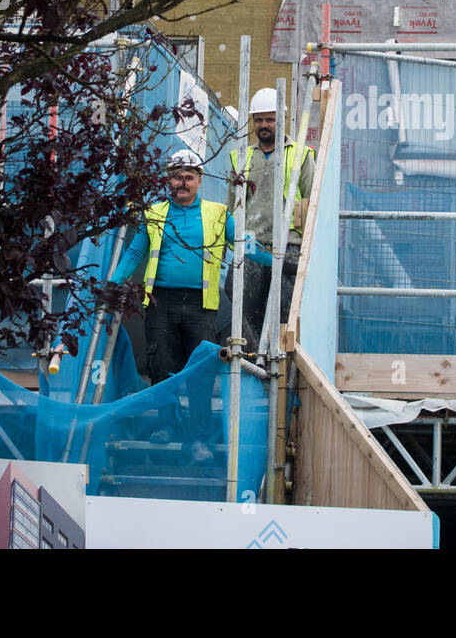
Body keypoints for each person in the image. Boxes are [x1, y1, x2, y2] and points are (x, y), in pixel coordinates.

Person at [105, 148, 235, 460]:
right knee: (161, 366)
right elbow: (136, 253)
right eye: (177, 176)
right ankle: (167, 427)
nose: (182, 182)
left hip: (201, 306)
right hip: (160, 302)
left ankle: (198, 440)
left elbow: (242, 244)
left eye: (189, 177)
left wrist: (270, 260)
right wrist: (113, 283)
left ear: (199, 181)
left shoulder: (219, 213)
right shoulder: (154, 213)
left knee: (201, 375)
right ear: (168, 179)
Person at [226, 87, 315, 348]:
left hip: (288, 247)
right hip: (251, 245)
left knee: (283, 315)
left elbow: (311, 203)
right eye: (259, 119)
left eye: (270, 119)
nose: (263, 125)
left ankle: (282, 371)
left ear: (281, 119)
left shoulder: (300, 155)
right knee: (242, 308)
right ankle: (256, 365)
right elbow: (231, 207)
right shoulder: (240, 157)